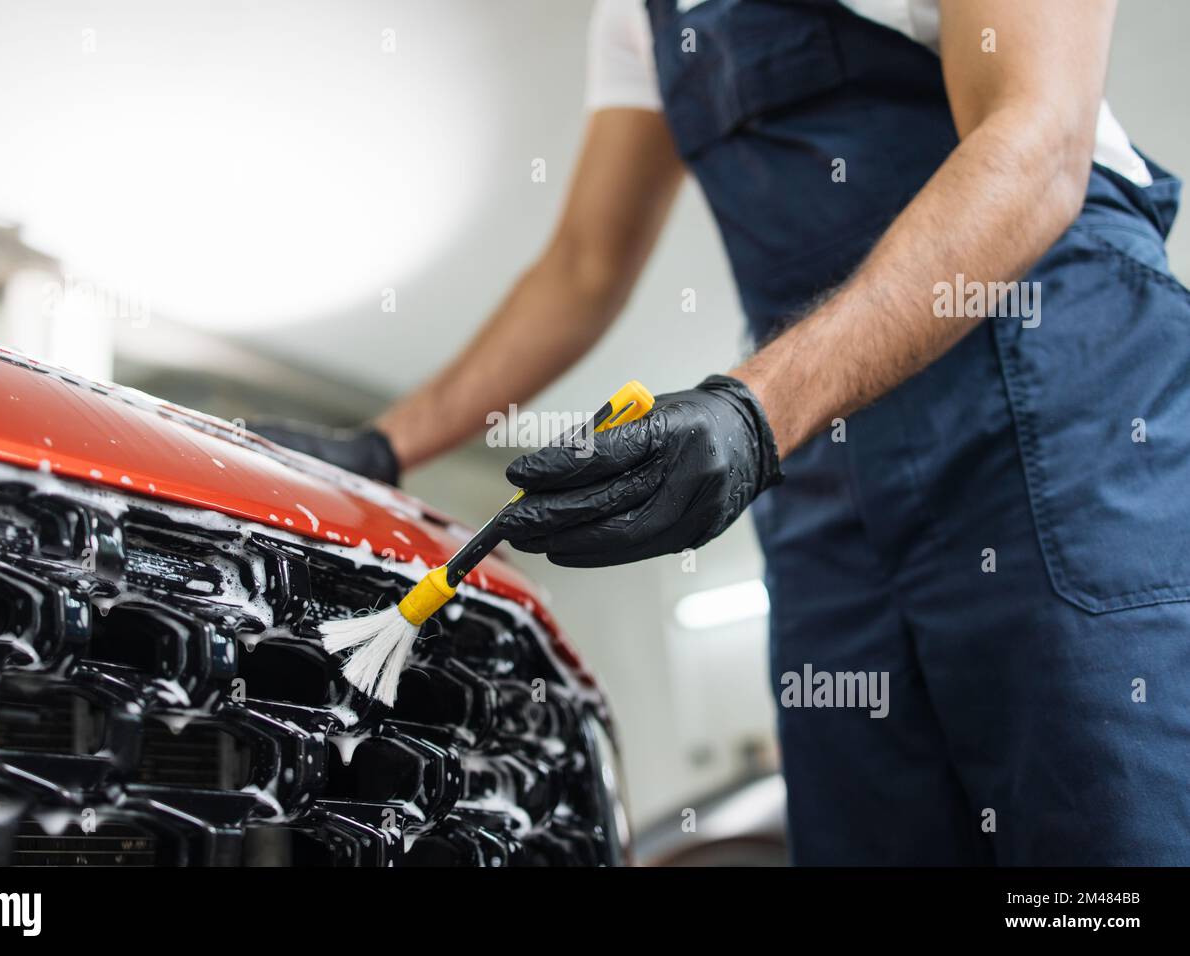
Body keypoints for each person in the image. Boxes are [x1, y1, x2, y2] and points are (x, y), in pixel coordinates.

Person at [255, 0, 1190, 865]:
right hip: (822, 447)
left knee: (1101, 830)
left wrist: (755, 408)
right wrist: (385, 448)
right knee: (868, 827)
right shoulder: (639, 16)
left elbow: (1039, 139)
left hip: (1055, 385)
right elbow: (584, 266)